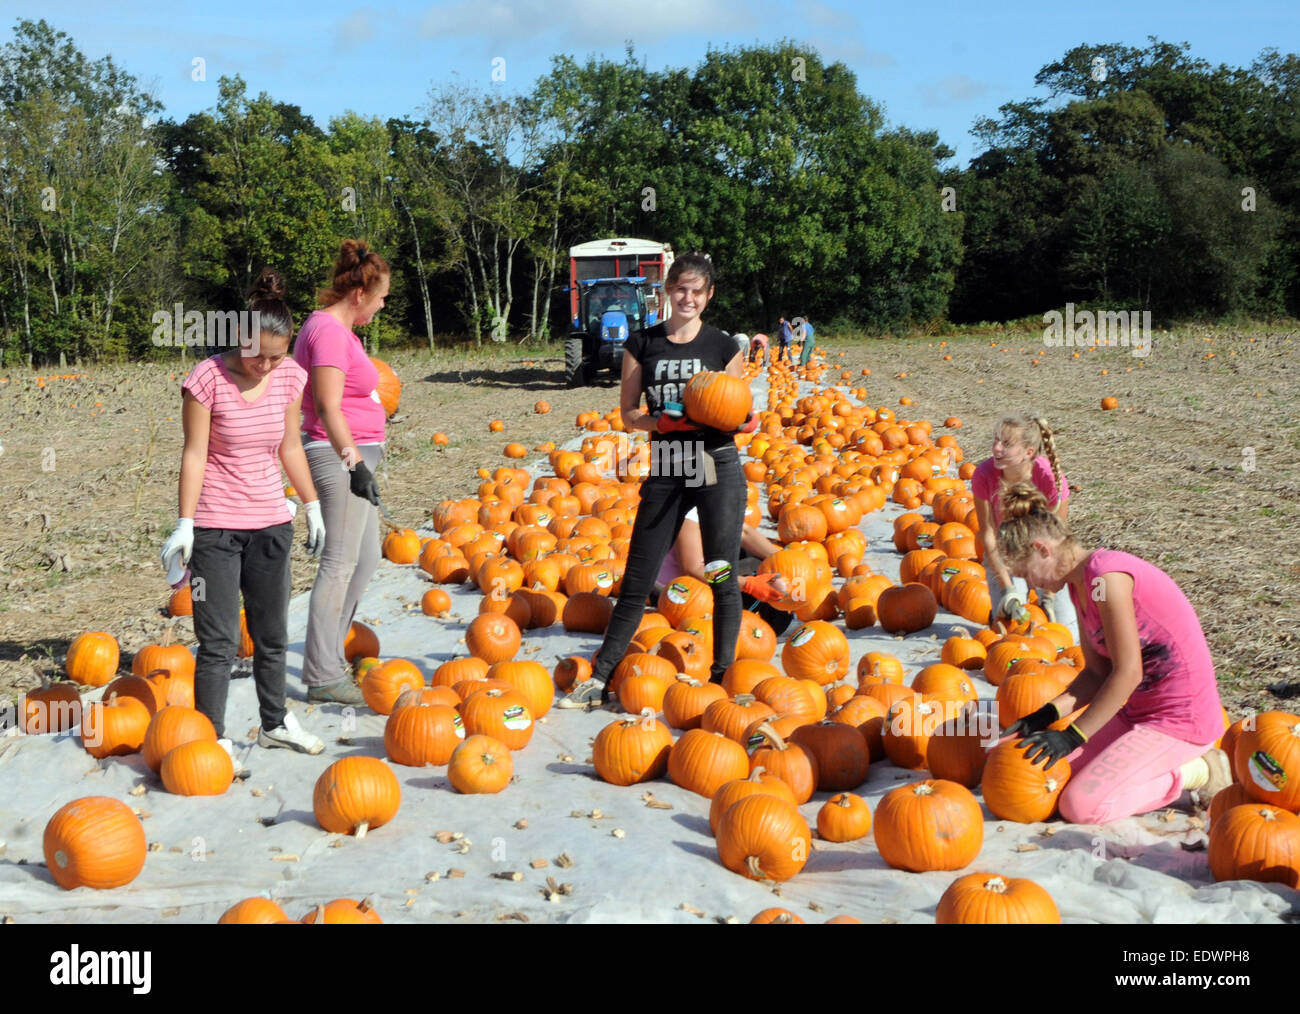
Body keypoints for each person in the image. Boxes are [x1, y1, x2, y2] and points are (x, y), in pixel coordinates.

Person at [557, 252, 759, 708]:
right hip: (669, 463)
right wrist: (657, 426)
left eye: (696, 291)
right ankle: (600, 679)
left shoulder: (724, 347)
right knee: (637, 577)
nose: (687, 298)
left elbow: (738, 410)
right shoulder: (642, 344)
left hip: (715, 465)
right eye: (679, 289)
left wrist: (745, 422)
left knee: (721, 572)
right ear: (667, 292)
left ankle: (723, 677)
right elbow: (630, 414)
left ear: (708, 296)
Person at [161, 269, 326, 758]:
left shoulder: (290, 376)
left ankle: (274, 723)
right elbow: (194, 453)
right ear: (240, 337)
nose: (267, 367)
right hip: (214, 529)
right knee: (219, 641)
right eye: (258, 356)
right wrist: (185, 523)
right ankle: (212, 740)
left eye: (278, 356)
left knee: (272, 634)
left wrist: (312, 504)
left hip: (271, 525)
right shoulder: (206, 379)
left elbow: (291, 446)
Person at [997, 484, 1230, 822]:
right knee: (1037, 769)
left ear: (1041, 549)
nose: (1031, 586)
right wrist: (1044, 716)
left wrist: (1072, 737)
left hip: (1180, 721)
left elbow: (1128, 673)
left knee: (1080, 805)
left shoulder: (1105, 578)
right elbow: (1095, 674)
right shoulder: (1079, 588)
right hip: (1138, 714)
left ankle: (1196, 772)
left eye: (1025, 573)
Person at [294, 240, 392, 705]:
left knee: (367, 557)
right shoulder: (329, 333)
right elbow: (327, 407)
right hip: (338, 458)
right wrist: (354, 463)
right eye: (381, 297)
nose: (383, 304)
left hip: (356, 455)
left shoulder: (341, 331)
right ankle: (321, 674)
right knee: (338, 563)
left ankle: (331, 653)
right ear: (359, 295)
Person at [972, 416, 1079, 641]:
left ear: (1029, 452)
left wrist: (1049, 594)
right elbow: (988, 534)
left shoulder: (1050, 478)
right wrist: (1007, 589)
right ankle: (999, 611)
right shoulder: (983, 475)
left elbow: (1059, 539)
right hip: (1006, 554)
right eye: (995, 440)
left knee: (1065, 631)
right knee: (1012, 625)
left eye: (1006, 444)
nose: (996, 448)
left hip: (1046, 556)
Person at [654, 509, 792, 636]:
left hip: (705, 570)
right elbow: (694, 569)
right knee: (755, 576)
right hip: (681, 592)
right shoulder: (689, 514)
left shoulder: (718, 498)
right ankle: (775, 624)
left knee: (755, 560)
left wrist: (786, 559)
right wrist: (747, 584)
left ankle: (780, 613)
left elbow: (744, 533)